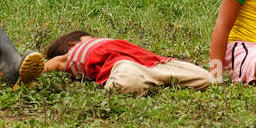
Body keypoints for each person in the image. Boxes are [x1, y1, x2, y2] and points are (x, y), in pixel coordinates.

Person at [43, 31, 209, 95]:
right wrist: (37, 69)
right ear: (71, 43)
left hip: (155, 63)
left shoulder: (102, 42)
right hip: (124, 66)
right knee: (126, 81)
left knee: (207, 78)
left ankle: (152, 83)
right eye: (88, 36)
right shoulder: (75, 52)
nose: (93, 38)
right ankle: (146, 83)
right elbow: (57, 63)